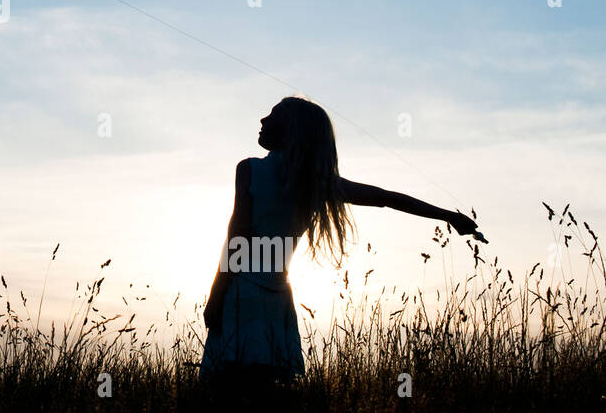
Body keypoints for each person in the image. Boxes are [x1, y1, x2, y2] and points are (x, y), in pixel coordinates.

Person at [200, 95, 482, 384]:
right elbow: (386, 198)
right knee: (269, 392)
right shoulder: (316, 183)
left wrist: (216, 294)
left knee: (227, 391)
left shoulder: (249, 169)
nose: (263, 120)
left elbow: (237, 238)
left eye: (272, 115)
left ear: (290, 130)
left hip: (242, 290)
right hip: (277, 296)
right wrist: (449, 216)